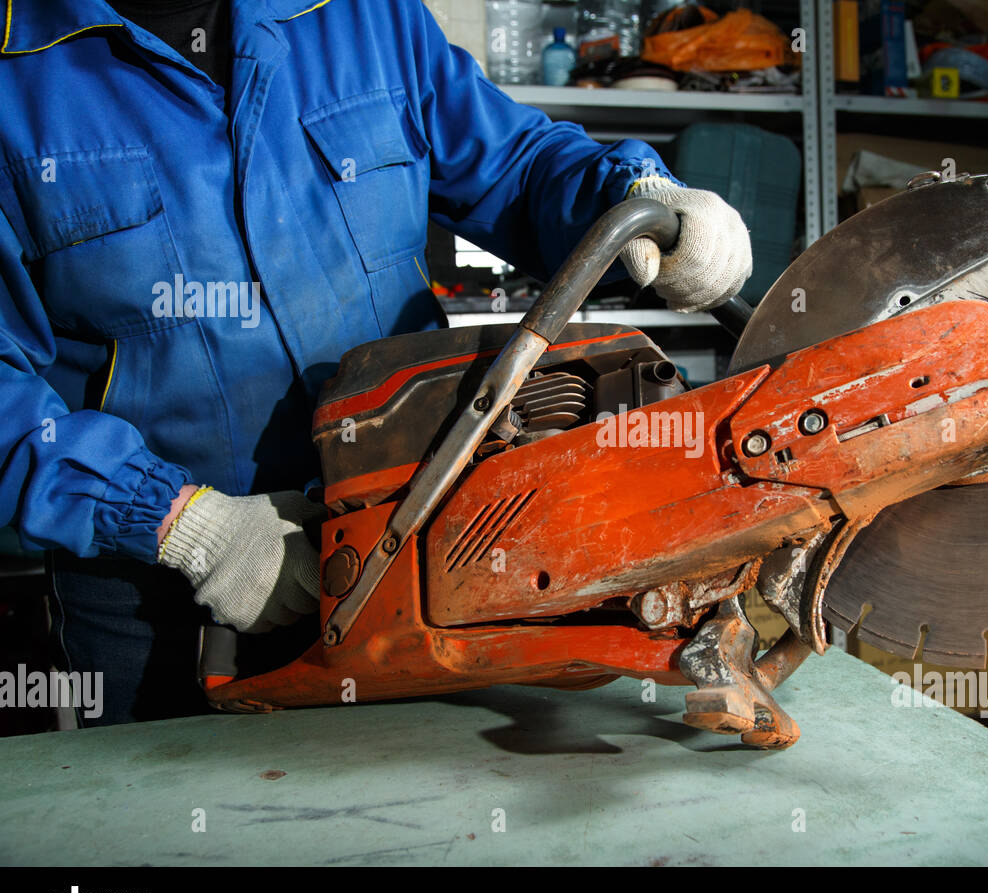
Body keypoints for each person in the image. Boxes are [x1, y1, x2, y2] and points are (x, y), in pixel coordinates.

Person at [0, 0, 752, 725]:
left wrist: (639, 199)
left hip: (426, 541)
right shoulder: (14, 75)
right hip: (157, 587)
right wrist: (178, 524)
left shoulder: (362, 14)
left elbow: (516, 168)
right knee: (166, 844)